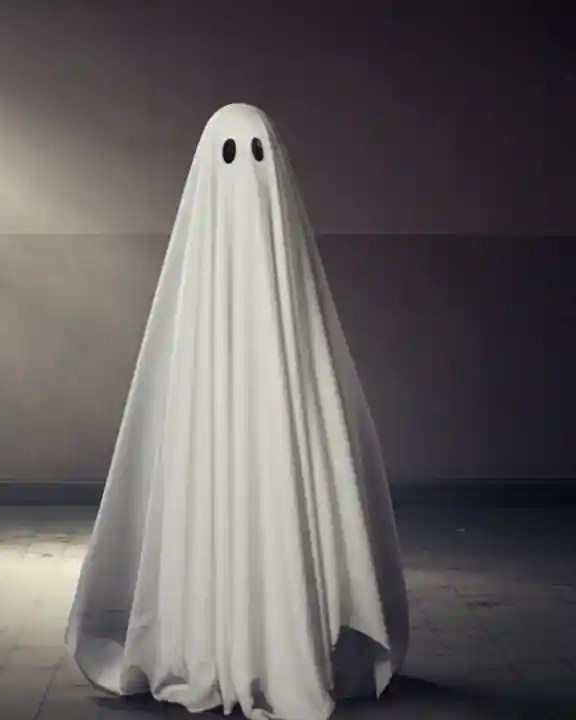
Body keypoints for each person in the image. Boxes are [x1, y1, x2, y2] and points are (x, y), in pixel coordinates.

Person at [64, 103, 408, 720]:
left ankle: (279, 645)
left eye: (256, 155)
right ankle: (210, 645)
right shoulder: (197, 287)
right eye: (228, 155)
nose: (244, 173)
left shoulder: (293, 291)